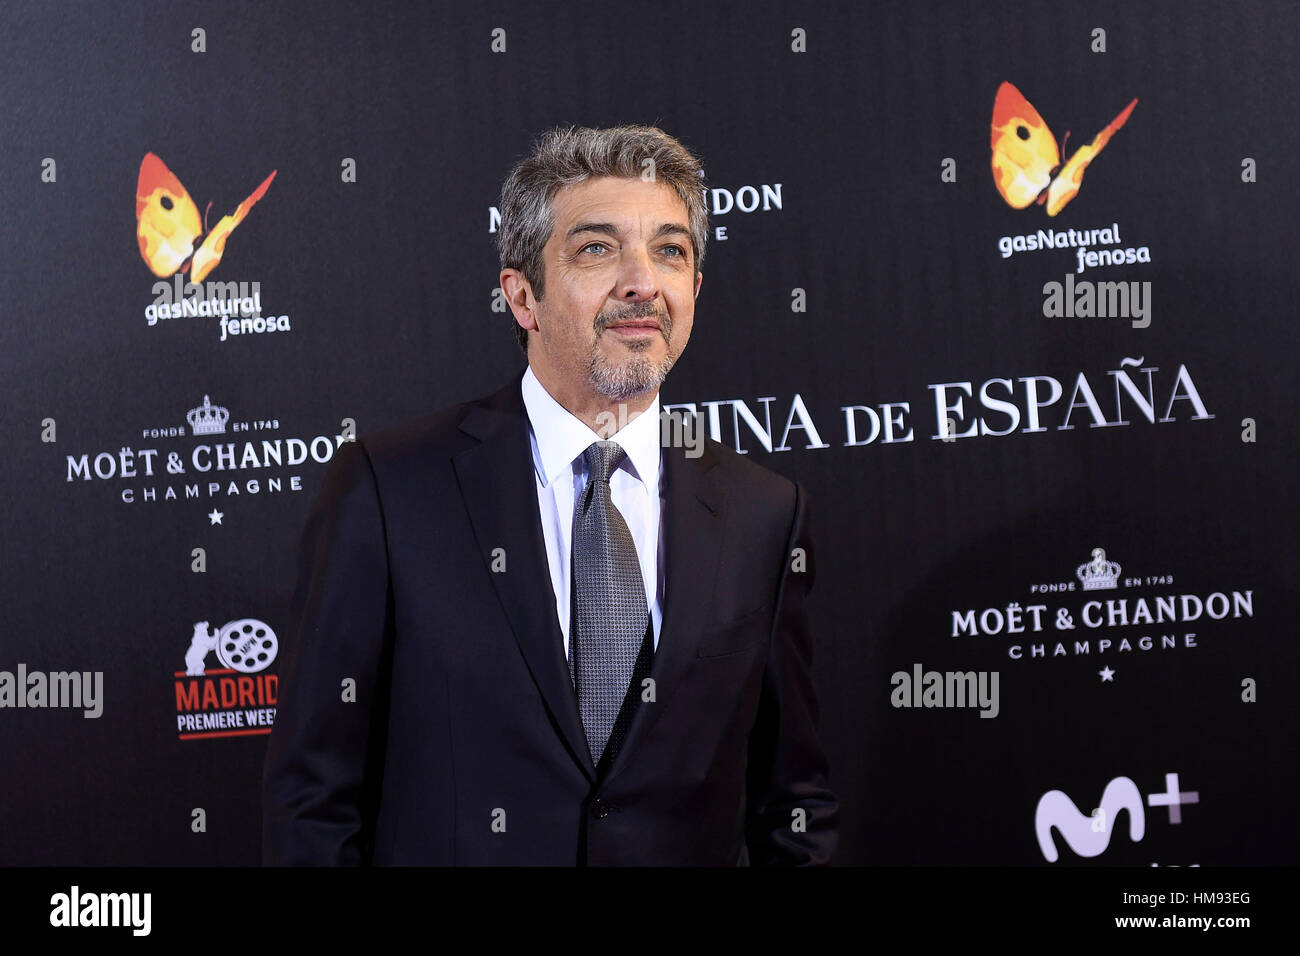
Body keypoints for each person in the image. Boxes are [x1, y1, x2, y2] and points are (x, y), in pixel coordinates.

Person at [262, 124, 839, 865]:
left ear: (693, 290)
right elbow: (312, 799)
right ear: (522, 296)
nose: (642, 281)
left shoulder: (764, 514)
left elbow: (791, 802)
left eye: (670, 250)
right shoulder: (389, 489)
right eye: (598, 249)